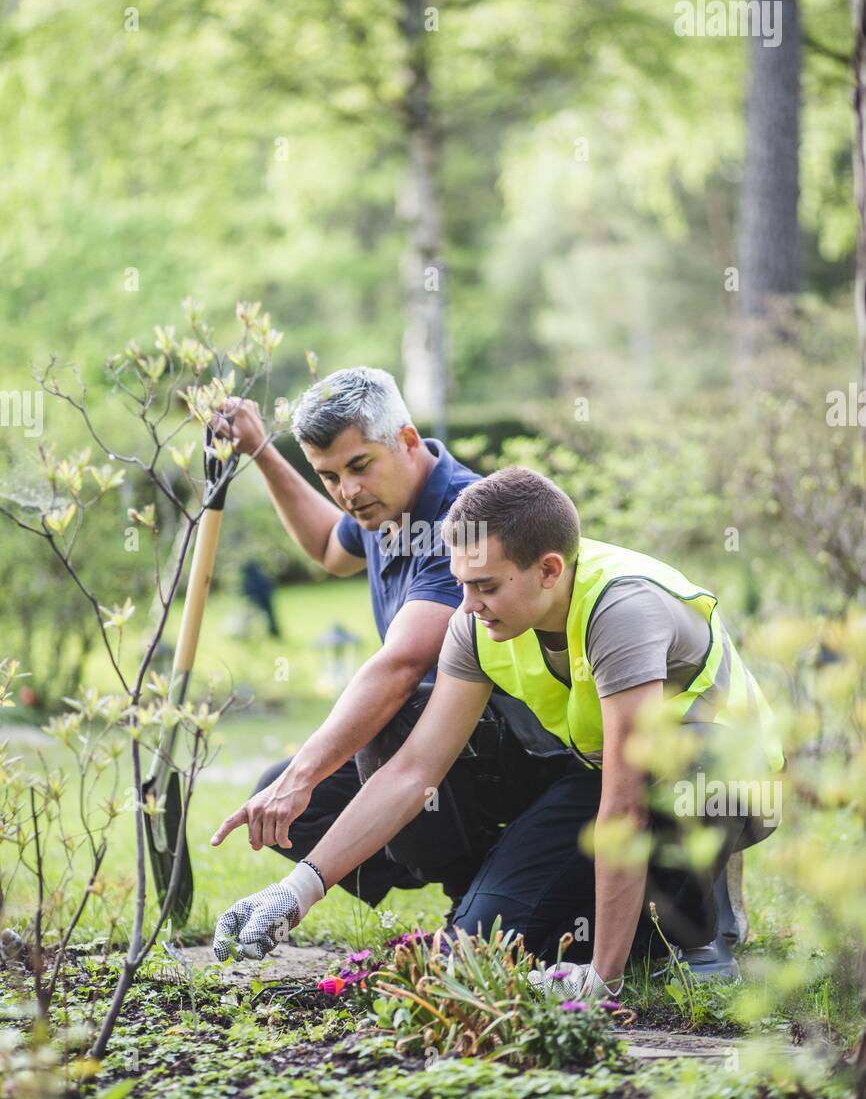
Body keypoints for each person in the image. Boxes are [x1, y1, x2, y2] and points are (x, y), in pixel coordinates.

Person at [213, 466, 784, 1000]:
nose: (467, 606)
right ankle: (624, 928)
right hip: (601, 770)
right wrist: (298, 890)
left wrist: (601, 982)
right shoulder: (474, 622)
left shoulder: (622, 610)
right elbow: (414, 772)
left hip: (720, 774)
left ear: (549, 570)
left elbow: (625, 805)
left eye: (485, 585)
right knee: (484, 942)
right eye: (461, 583)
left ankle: (696, 931)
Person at [209, 369, 573, 914]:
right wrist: (261, 449)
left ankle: (488, 880)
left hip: (518, 752)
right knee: (289, 801)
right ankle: (473, 872)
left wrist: (304, 774)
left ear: (406, 441)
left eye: (359, 466)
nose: (347, 492)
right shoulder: (384, 509)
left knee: (389, 720)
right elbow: (331, 549)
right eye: (329, 476)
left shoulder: (463, 518)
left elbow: (404, 665)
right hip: (444, 757)